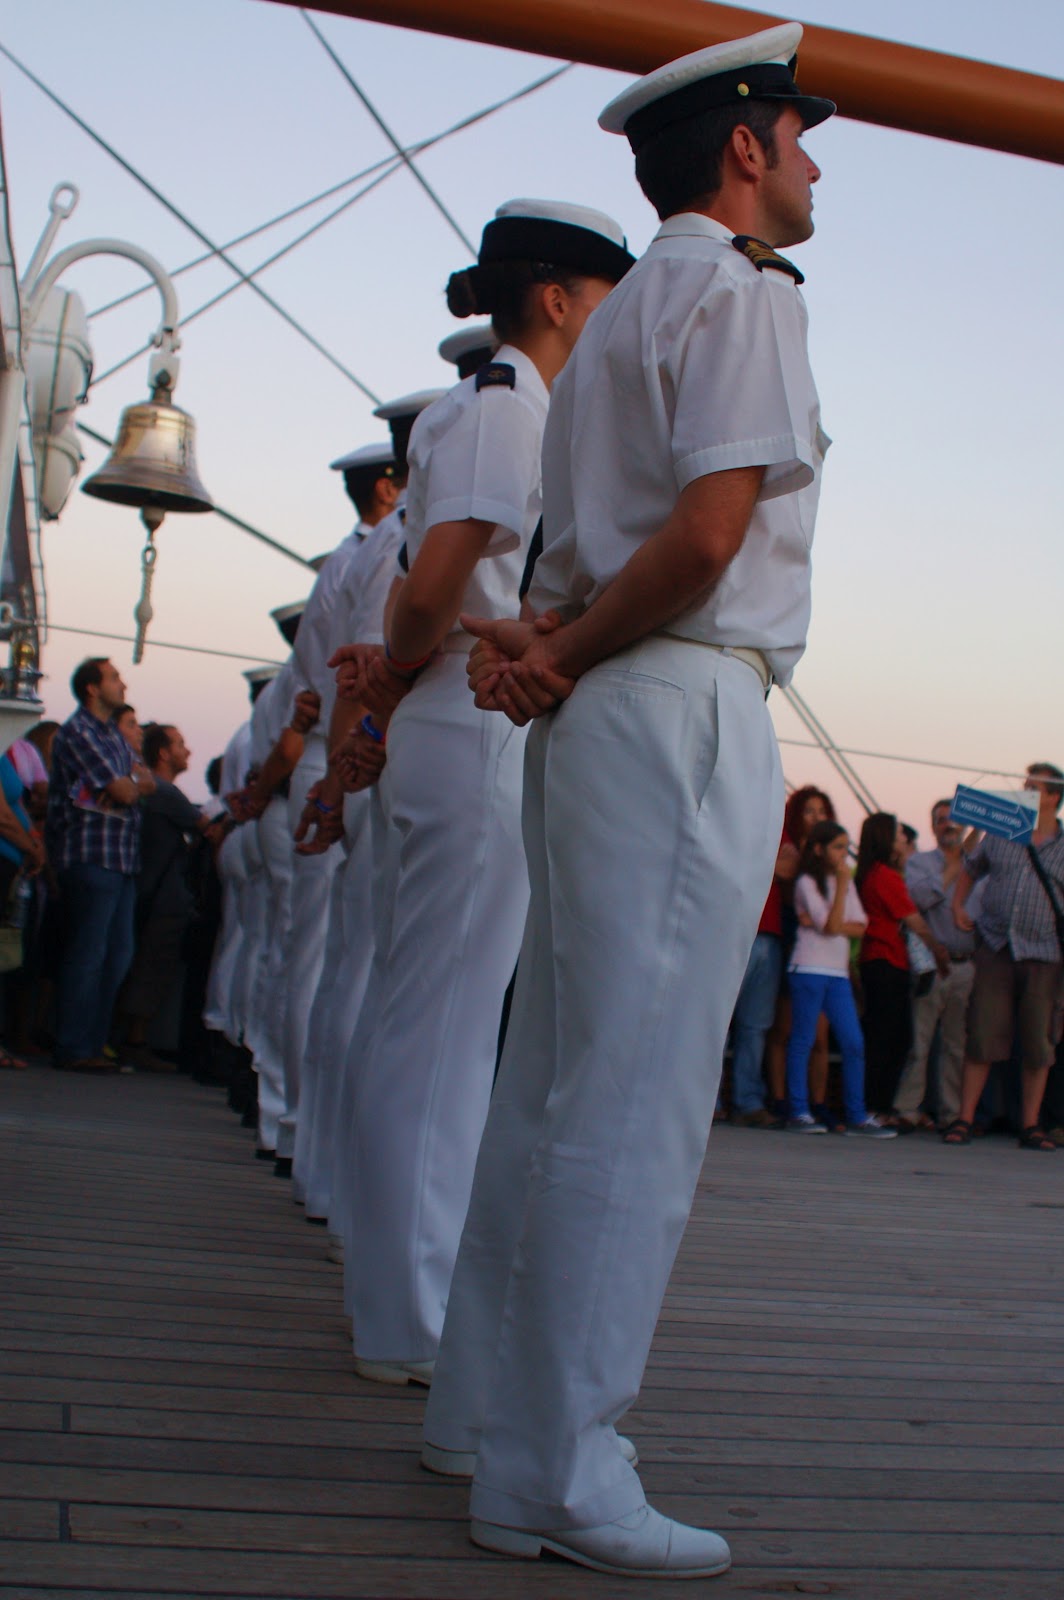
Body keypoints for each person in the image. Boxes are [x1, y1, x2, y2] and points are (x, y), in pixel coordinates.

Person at [423, 25, 835, 1578]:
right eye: (798, 135)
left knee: (545, 1088)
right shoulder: (738, 294)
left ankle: (482, 1417)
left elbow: (582, 556)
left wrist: (543, 647)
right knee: (633, 1105)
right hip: (675, 703)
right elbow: (711, 539)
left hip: (604, 704)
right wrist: (571, 649)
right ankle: (558, 1470)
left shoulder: (616, 325)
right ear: (743, 148)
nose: (810, 163)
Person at [339, 198, 634, 1387]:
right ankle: (407, 1313)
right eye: (604, 295)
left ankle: (397, 1290)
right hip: (470, 722)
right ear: (560, 298)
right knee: (442, 1032)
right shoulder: (505, 416)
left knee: (432, 1023)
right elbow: (435, 584)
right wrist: (395, 676)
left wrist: (386, 684)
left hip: (464, 720)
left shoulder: (505, 412)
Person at [948, 763, 1064, 1152]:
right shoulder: (1002, 831)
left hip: (1045, 953)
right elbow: (970, 866)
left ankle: (1030, 1125)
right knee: (981, 1034)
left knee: (1037, 1042)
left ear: (1053, 797)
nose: (1025, 791)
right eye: (1025, 784)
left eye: (1034, 787)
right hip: (996, 946)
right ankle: (964, 1118)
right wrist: (959, 906)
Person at [46, 658, 155, 1072]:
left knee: (117, 956)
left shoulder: (112, 734)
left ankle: (92, 1044)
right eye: (113, 678)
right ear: (92, 688)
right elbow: (125, 791)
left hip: (122, 857)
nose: (122, 684)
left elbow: (143, 781)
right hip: (92, 854)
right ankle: (74, 1046)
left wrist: (132, 784)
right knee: (89, 953)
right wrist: (129, 785)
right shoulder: (79, 732)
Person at [117, 723, 219, 1071]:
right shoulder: (166, 793)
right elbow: (208, 828)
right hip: (164, 899)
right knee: (152, 968)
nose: (187, 750)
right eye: (180, 744)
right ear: (163, 753)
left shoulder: (154, 791)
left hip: (147, 892)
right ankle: (135, 1042)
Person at [785, 821, 894, 1137]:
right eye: (837, 847)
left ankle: (857, 1115)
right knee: (804, 1039)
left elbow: (861, 925)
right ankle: (798, 1111)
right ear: (819, 849)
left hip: (837, 973)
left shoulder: (843, 882)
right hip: (808, 968)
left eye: (846, 847)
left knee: (853, 1041)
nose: (843, 854)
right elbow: (832, 925)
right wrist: (842, 895)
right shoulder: (807, 882)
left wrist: (831, 920)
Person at [889, 800, 978, 1131]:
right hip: (931, 963)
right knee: (920, 1042)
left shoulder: (981, 865)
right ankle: (908, 1110)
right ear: (932, 826)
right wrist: (955, 866)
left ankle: (952, 1114)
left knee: (958, 1045)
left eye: (954, 820)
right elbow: (918, 900)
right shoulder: (920, 863)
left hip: (967, 965)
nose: (948, 826)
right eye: (941, 821)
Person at [856, 812, 949, 1112]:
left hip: (877, 960)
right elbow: (915, 921)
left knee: (886, 1036)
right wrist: (939, 952)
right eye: (898, 835)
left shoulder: (870, 873)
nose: (903, 840)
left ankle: (875, 1104)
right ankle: (877, 1106)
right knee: (892, 1038)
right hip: (886, 960)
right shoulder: (885, 876)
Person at [764, 785, 836, 1122]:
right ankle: (781, 1099)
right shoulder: (791, 851)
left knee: (820, 1034)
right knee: (785, 1028)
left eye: (822, 812)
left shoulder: (833, 859)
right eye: (809, 811)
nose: (816, 817)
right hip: (794, 945)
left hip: (825, 953)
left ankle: (817, 1102)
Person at [727, 831, 797, 1126]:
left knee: (755, 1025)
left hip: (769, 935)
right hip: (734, 931)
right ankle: (709, 1100)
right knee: (719, 1023)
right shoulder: (740, 815)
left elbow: (789, 870)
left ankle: (748, 1102)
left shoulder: (782, 826)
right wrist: (772, 864)